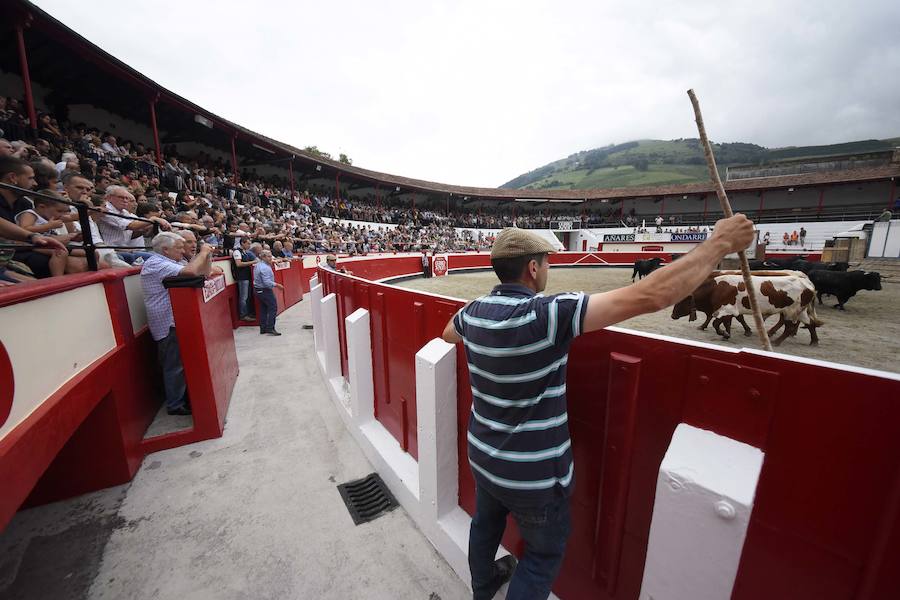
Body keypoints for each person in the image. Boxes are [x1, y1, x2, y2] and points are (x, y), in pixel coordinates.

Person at [441, 216, 754, 600]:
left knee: (485, 527)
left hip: (485, 458)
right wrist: (718, 243)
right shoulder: (549, 315)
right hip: (535, 477)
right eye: (548, 263)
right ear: (533, 268)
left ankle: (482, 589)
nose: (549, 270)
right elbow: (650, 297)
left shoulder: (472, 312)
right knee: (541, 556)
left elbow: (447, 333)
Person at [140, 232, 213, 415]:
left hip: (175, 320)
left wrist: (207, 255)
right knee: (174, 365)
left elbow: (203, 272)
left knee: (179, 363)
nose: (184, 250)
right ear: (165, 249)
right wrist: (202, 253)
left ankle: (180, 399)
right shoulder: (156, 263)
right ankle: (175, 404)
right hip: (167, 323)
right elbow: (190, 272)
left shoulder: (173, 262)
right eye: (179, 247)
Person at [253, 250, 283, 336]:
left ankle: (263, 328)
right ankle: (270, 328)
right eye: (269, 256)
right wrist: (277, 285)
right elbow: (266, 282)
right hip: (264, 290)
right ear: (263, 257)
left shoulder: (259, 265)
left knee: (263, 309)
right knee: (273, 307)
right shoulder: (264, 268)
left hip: (258, 289)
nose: (271, 258)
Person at [232, 237, 258, 321]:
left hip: (247, 276)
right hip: (242, 277)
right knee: (244, 297)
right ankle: (243, 315)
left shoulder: (245, 252)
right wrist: (252, 262)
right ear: (242, 243)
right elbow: (238, 264)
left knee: (247, 296)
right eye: (248, 243)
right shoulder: (237, 251)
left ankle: (248, 313)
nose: (249, 245)